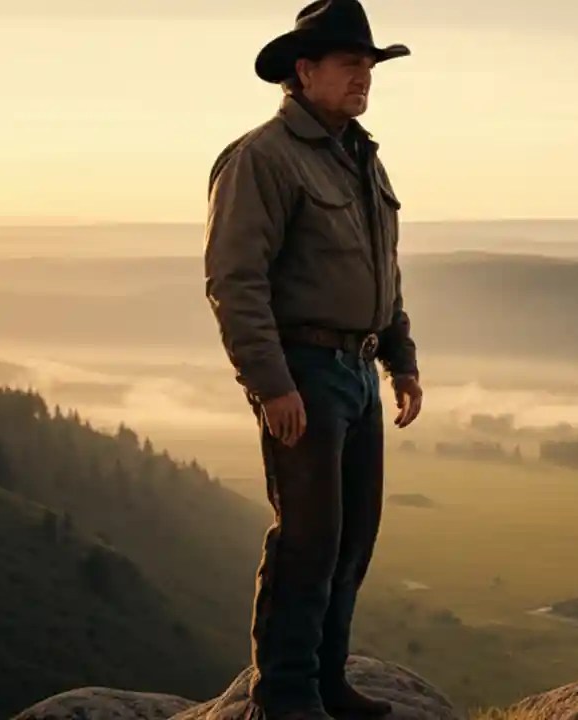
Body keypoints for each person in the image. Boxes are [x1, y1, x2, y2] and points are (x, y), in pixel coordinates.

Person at [203, 1, 422, 718]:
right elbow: (235, 281)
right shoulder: (261, 158)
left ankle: (328, 682)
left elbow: (380, 271)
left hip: (357, 368)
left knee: (353, 538)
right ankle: (286, 694)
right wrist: (271, 385)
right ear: (305, 71)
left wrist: (401, 359)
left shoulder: (361, 155)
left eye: (369, 66)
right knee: (308, 537)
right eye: (351, 65)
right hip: (303, 372)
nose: (365, 78)